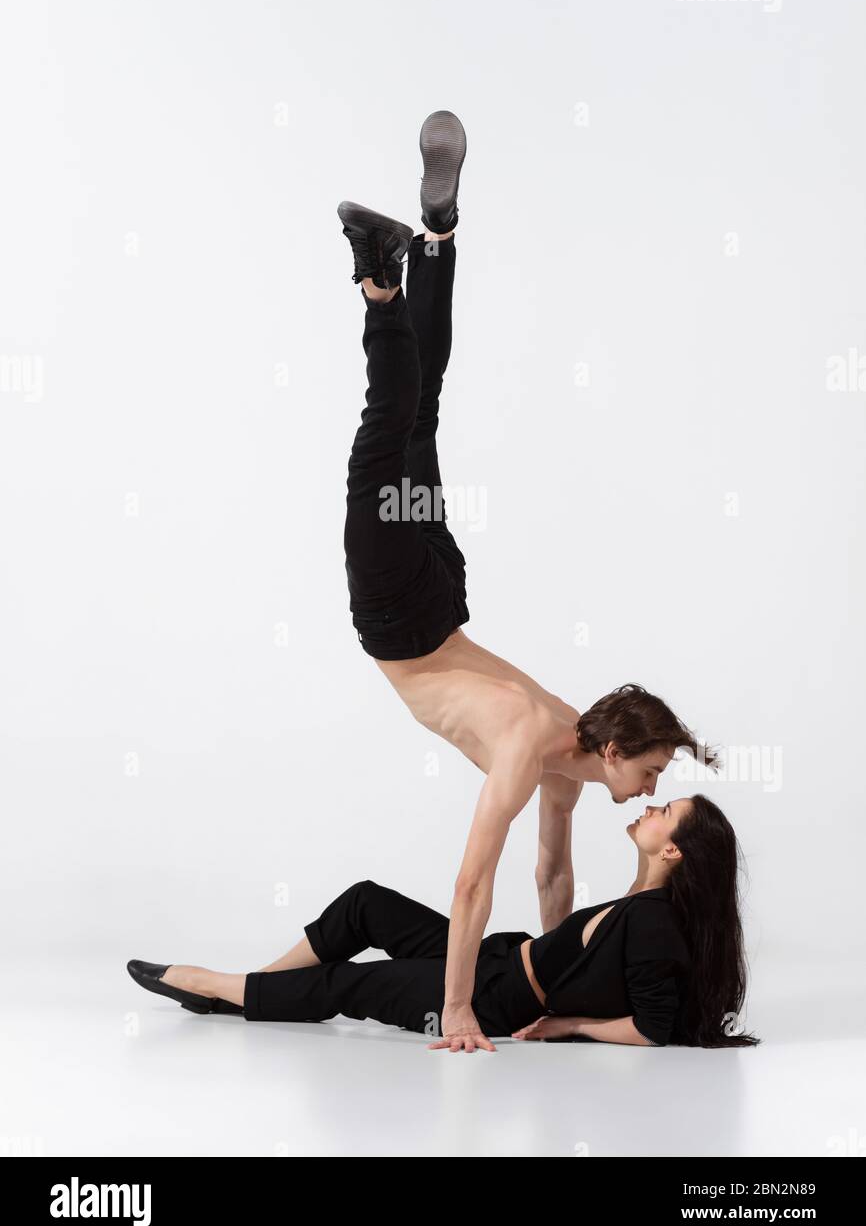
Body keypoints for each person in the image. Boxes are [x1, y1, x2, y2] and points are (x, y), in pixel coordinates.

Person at [329, 109, 721, 1051]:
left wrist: (551, 982)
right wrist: (461, 1008)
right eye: (653, 772)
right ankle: (386, 281)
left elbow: (551, 885)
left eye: (656, 780)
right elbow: (474, 882)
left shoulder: (566, 767)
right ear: (617, 749)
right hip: (403, 611)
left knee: (416, 416)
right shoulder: (533, 746)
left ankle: (437, 241)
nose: (644, 790)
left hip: (436, 589)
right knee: (392, 427)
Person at [127, 794, 759, 1050]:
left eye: (665, 808)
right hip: (495, 956)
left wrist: (569, 1026)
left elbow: (653, 1026)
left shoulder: (654, 924)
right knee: (366, 903)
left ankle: (213, 986)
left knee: (351, 982)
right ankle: (253, 990)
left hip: (492, 999)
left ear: (672, 849)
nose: (651, 803)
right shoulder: (640, 904)